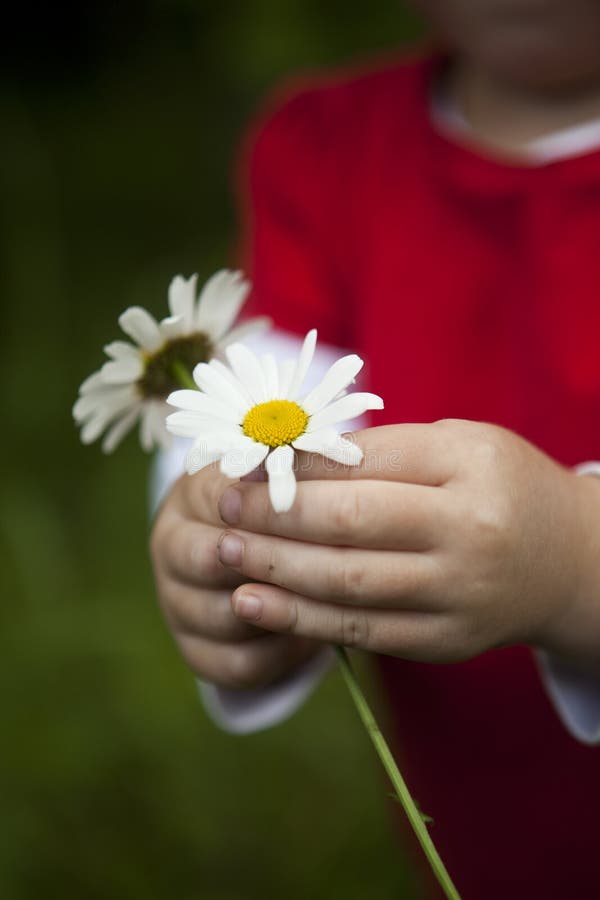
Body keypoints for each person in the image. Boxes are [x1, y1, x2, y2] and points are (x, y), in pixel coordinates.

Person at [150, 2, 600, 896]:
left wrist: (576, 564)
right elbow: (251, 398)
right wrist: (231, 548)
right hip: (483, 838)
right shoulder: (326, 151)